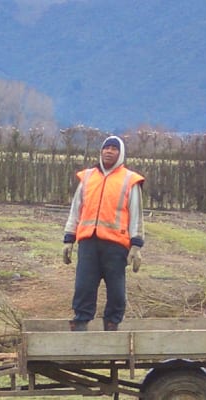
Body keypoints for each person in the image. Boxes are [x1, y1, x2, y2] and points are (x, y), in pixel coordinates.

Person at [62, 135, 145, 332]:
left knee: (116, 290)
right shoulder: (87, 177)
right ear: (101, 151)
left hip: (116, 245)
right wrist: (69, 238)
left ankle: (112, 324)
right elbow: (76, 209)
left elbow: (136, 214)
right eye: (106, 148)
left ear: (121, 154)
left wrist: (136, 245)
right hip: (88, 242)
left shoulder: (129, 180)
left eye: (114, 149)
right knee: (84, 286)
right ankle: (81, 323)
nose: (109, 151)